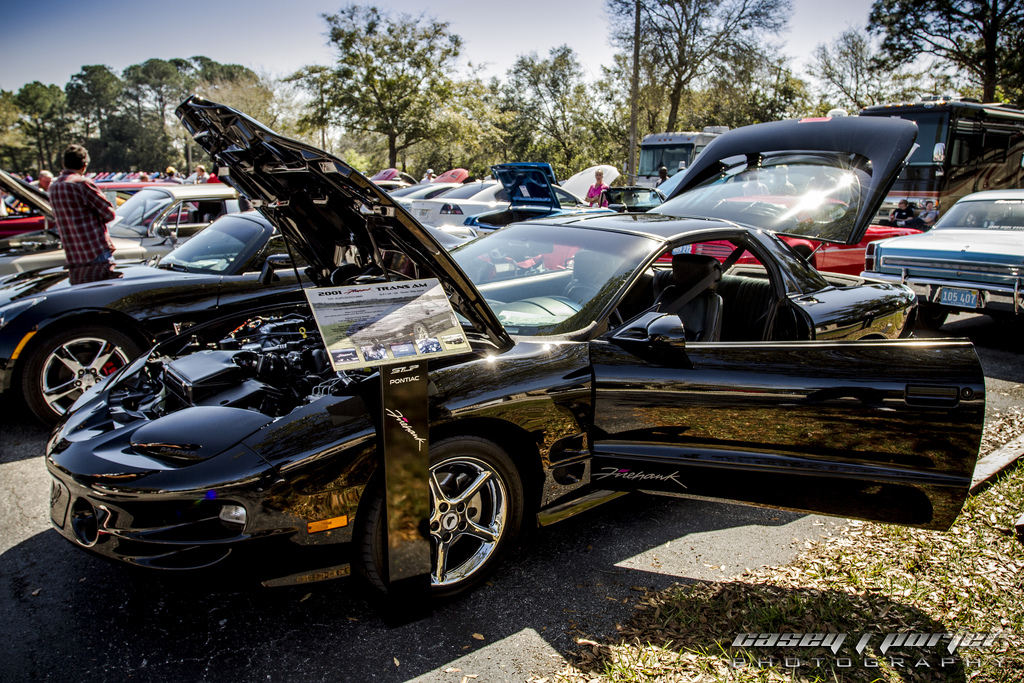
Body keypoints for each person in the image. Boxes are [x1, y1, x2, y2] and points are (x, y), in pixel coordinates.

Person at [48, 144, 118, 280]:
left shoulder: (54, 186)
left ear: (63, 163)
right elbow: (109, 214)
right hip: (95, 252)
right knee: (104, 290)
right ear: (84, 165)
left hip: (73, 255)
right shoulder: (81, 184)